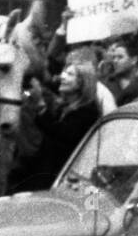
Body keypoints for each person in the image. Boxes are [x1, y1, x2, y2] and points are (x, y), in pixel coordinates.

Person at [11, 63, 102, 192]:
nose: (62, 77)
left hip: (66, 179)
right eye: (64, 73)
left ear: (83, 83)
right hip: (47, 173)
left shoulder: (88, 112)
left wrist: (41, 105)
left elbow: (62, 134)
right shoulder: (63, 108)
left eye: (70, 74)